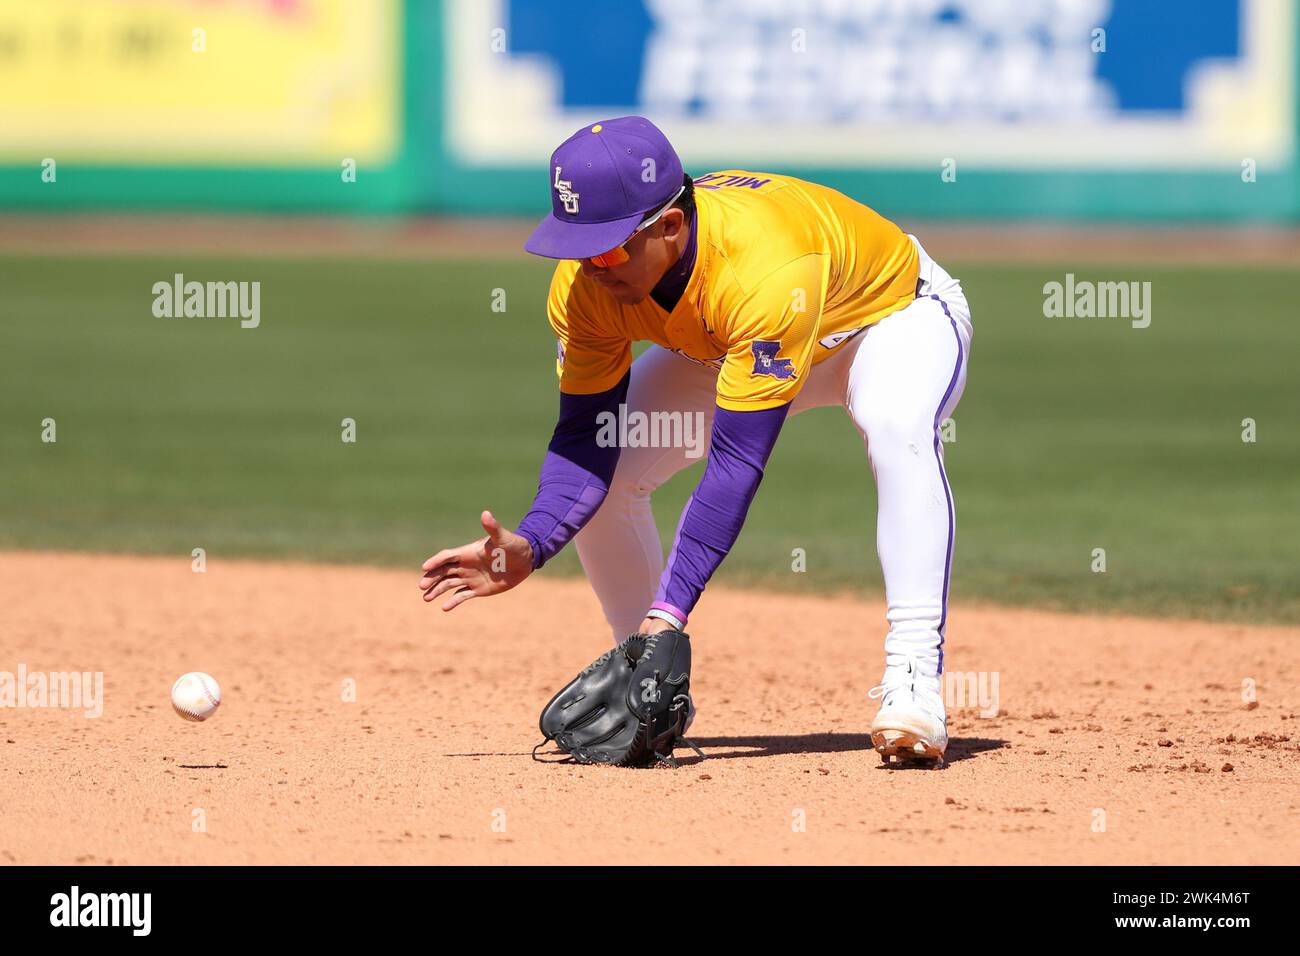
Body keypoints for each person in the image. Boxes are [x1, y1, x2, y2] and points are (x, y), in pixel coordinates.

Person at [418, 116, 972, 764]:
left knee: (896, 425)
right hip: (739, 342)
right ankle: (646, 680)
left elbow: (738, 462)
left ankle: (913, 684)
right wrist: (534, 542)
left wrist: (673, 610)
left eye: (605, 248)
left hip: (889, 321)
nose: (589, 268)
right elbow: (586, 438)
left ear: (671, 228)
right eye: (575, 245)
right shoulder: (586, 288)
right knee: (618, 474)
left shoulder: (763, 267)